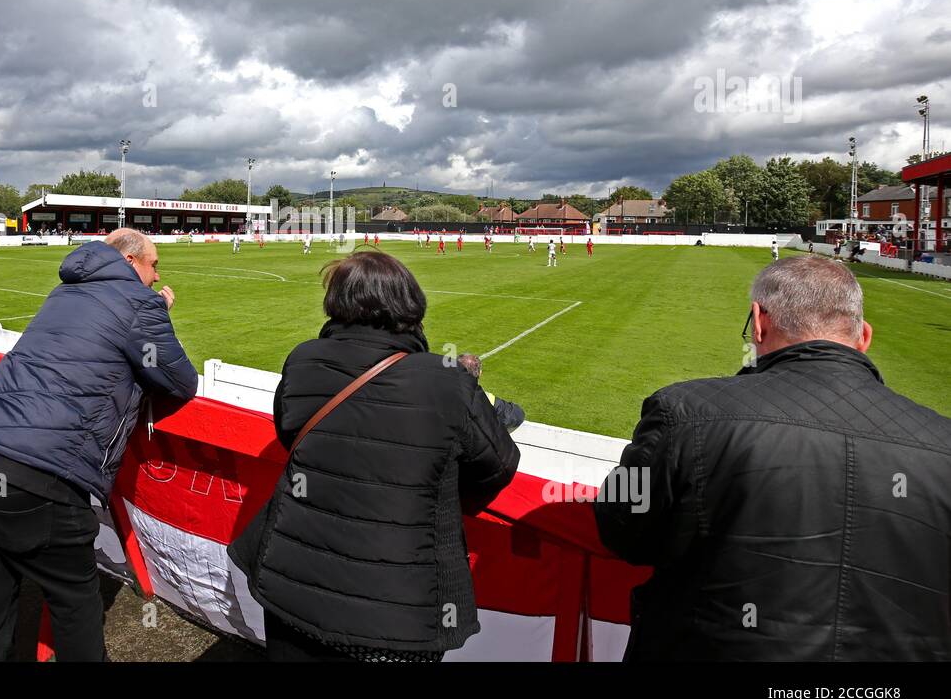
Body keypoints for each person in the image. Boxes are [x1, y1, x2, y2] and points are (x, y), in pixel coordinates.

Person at [594, 256, 951, 660]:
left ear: (758, 322)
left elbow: (620, 524)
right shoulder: (943, 442)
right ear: (863, 337)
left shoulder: (686, 410)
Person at [229, 251, 520, 661]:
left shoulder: (302, 359)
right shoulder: (445, 379)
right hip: (397, 607)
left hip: (290, 583)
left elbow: (290, 433)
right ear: (410, 305)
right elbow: (499, 464)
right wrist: (440, 496)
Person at [0, 229, 198, 661]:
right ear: (132, 262)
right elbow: (178, 380)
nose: (156, 277)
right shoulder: (139, 301)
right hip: (37, 480)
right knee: (76, 605)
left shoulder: (66, 291)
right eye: (154, 266)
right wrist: (159, 312)